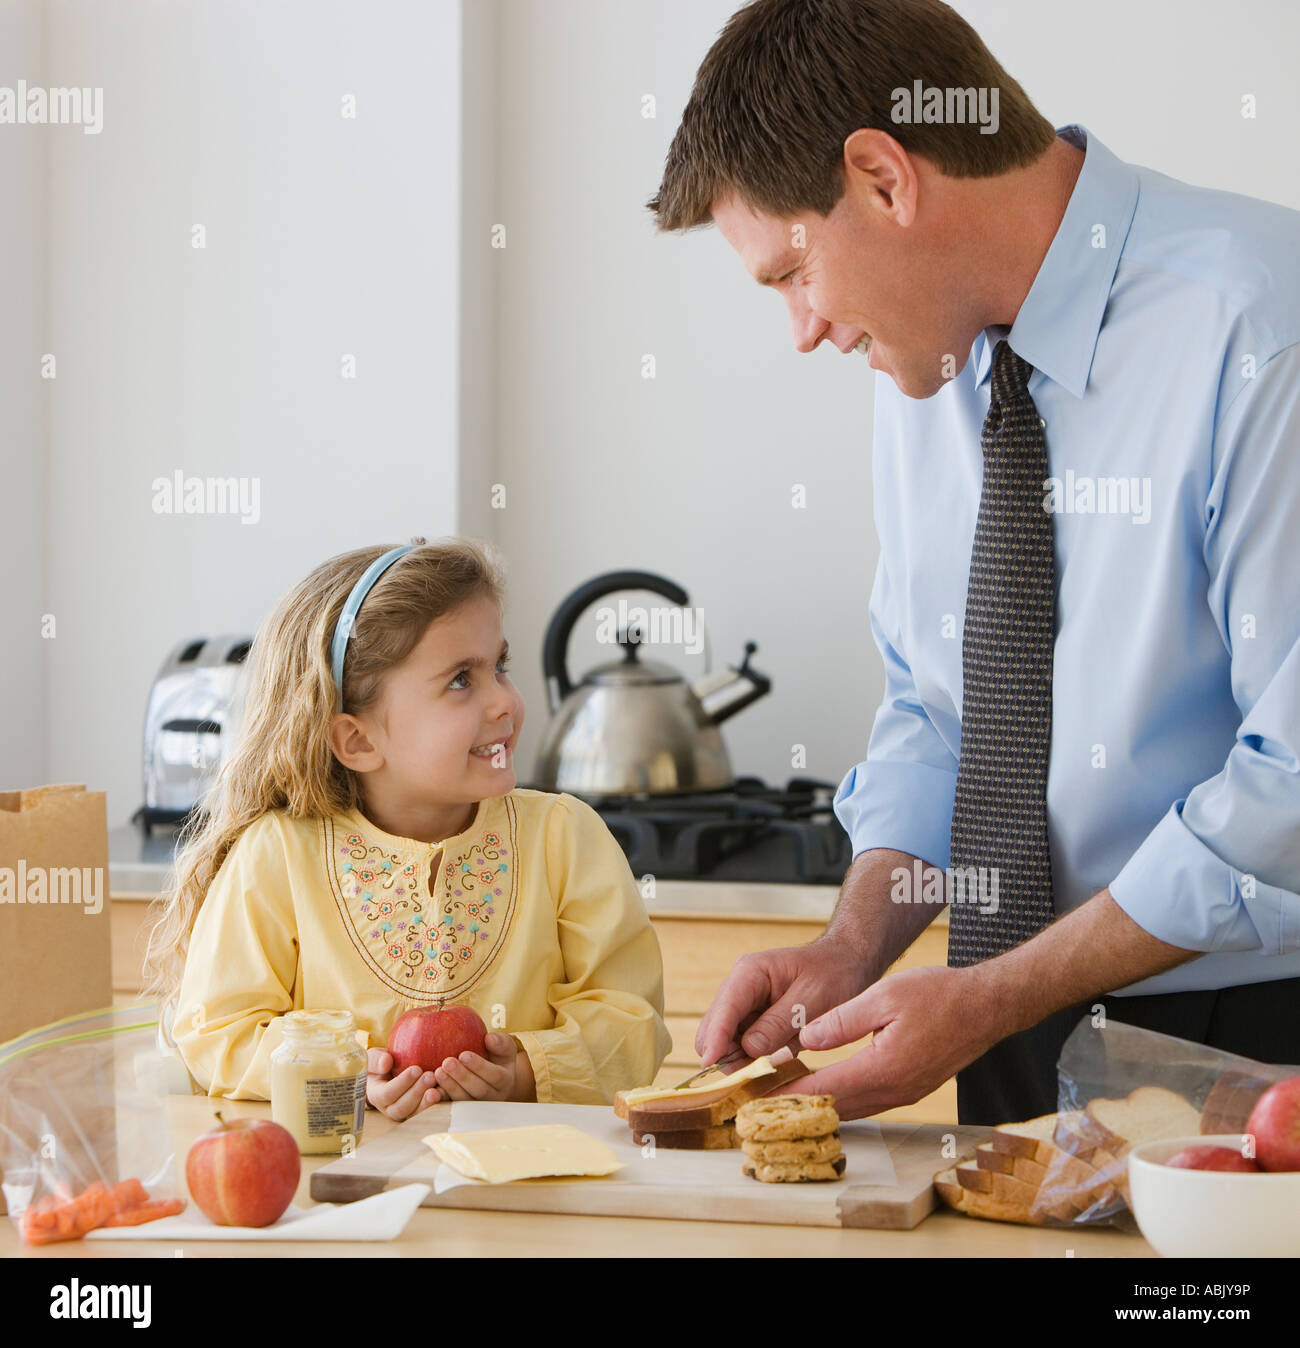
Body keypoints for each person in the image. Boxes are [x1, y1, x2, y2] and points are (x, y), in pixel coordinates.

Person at [648, 0, 1300, 1123]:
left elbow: (1289, 781)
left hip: (1252, 1023)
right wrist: (856, 943)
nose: (804, 328)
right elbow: (938, 705)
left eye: (791, 274)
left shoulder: (1259, 327)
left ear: (884, 179)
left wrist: (996, 992)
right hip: (1003, 1016)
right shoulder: (926, 356)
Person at [143, 538, 671, 1119]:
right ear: (359, 740)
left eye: (499, 666)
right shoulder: (278, 855)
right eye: (461, 681)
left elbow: (631, 1019)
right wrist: (344, 1074)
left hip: (533, 1190)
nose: (504, 702)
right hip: (346, 1190)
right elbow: (217, 1031)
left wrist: (525, 1070)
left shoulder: (566, 838)